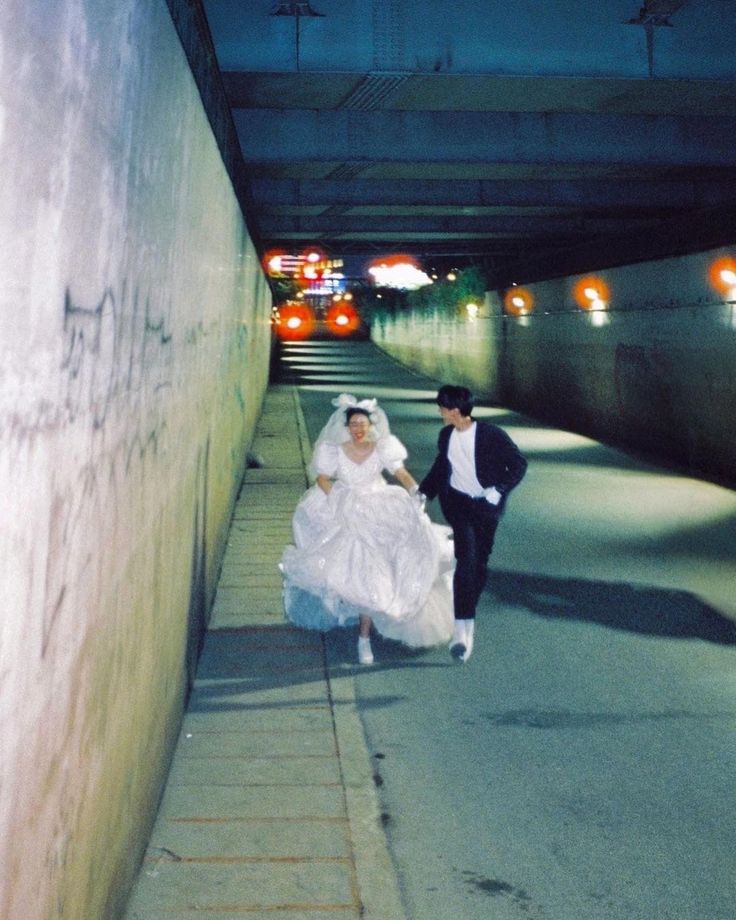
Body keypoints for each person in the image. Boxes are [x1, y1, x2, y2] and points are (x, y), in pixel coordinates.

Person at [280, 394, 454, 665]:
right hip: (346, 503)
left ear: (370, 424)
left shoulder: (382, 447)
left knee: (381, 569)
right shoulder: (334, 449)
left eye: (363, 423)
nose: (358, 429)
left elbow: (400, 472)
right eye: (354, 424)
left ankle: (365, 634)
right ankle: (361, 634)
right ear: (346, 426)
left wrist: (414, 490)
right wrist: (336, 497)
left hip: (378, 505)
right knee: (350, 569)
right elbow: (322, 477)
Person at [419, 384, 527, 663]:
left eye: (443, 407)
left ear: (455, 411)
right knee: (465, 563)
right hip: (458, 505)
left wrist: (498, 489)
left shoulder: (491, 435)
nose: (440, 412)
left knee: (479, 565)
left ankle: (468, 616)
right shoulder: (446, 435)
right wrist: (422, 494)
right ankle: (460, 632)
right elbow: (441, 468)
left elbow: (518, 465)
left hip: (485, 507)